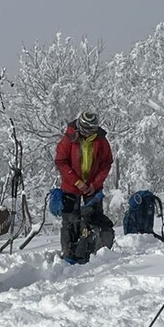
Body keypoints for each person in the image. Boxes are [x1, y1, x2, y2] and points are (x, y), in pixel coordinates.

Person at [54, 111, 115, 264]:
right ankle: (68, 254)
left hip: (93, 187)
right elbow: (61, 161)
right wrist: (76, 181)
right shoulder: (69, 137)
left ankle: (93, 252)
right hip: (71, 186)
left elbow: (107, 163)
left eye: (89, 129)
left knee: (94, 218)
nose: (85, 132)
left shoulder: (101, 140)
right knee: (70, 221)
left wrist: (94, 184)